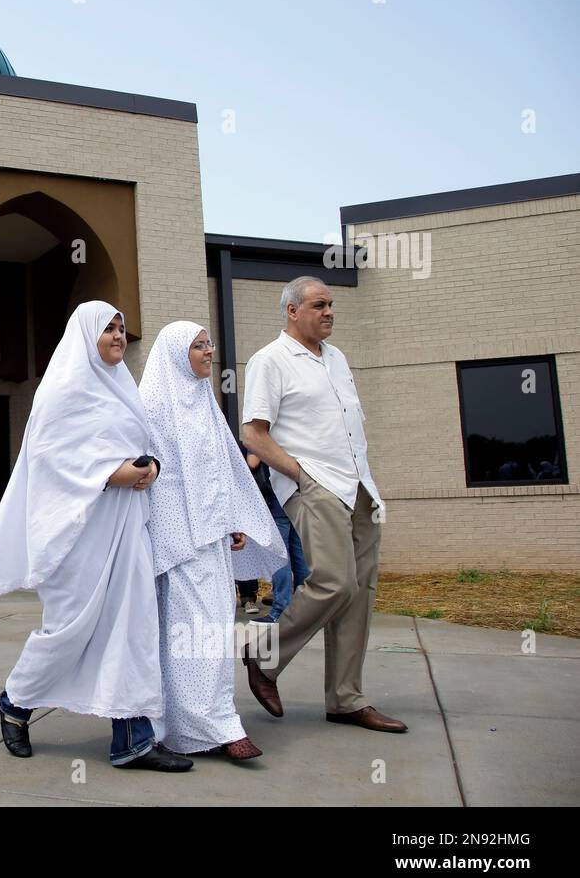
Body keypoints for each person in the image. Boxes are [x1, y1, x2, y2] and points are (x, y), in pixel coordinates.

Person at [0, 301, 191, 772]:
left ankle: (133, 739)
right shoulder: (62, 391)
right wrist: (113, 473)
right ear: (85, 335)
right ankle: (16, 702)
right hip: (78, 534)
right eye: (107, 328)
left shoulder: (123, 388)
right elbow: (50, 458)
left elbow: (141, 447)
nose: (117, 336)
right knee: (71, 629)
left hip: (125, 528)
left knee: (131, 627)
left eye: (122, 328)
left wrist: (148, 467)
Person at [240, 275, 407, 733]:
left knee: (359, 595)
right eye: (319, 305)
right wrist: (301, 476)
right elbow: (253, 433)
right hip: (316, 489)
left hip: (360, 490)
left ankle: (346, 699)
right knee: (333, 582)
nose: (329, 311)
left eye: (332, 304)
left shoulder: (337, 360)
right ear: (292, 310)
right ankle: (264, 655)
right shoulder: (269, 360)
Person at [137, 321, 286, 761]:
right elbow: (153, 478)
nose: (209, 352)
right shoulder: (152, 405)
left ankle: (194, 726)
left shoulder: (204, 401)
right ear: (175, 354)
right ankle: (215, 725)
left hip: (211, 539)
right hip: (179, 540)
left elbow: (224, 467)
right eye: (199, 346)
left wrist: (232, 519)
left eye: (209, 343)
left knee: (213, 629)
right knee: (192, 631)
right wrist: (179, 533)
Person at [243, 448, 309, 624]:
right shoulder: (293, 433)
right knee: (299, 554)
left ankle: (281, 609)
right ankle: (305, 609)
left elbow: (253, 462)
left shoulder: (267, 431)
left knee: (280, 556)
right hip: (297, 496)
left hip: (276, 499)